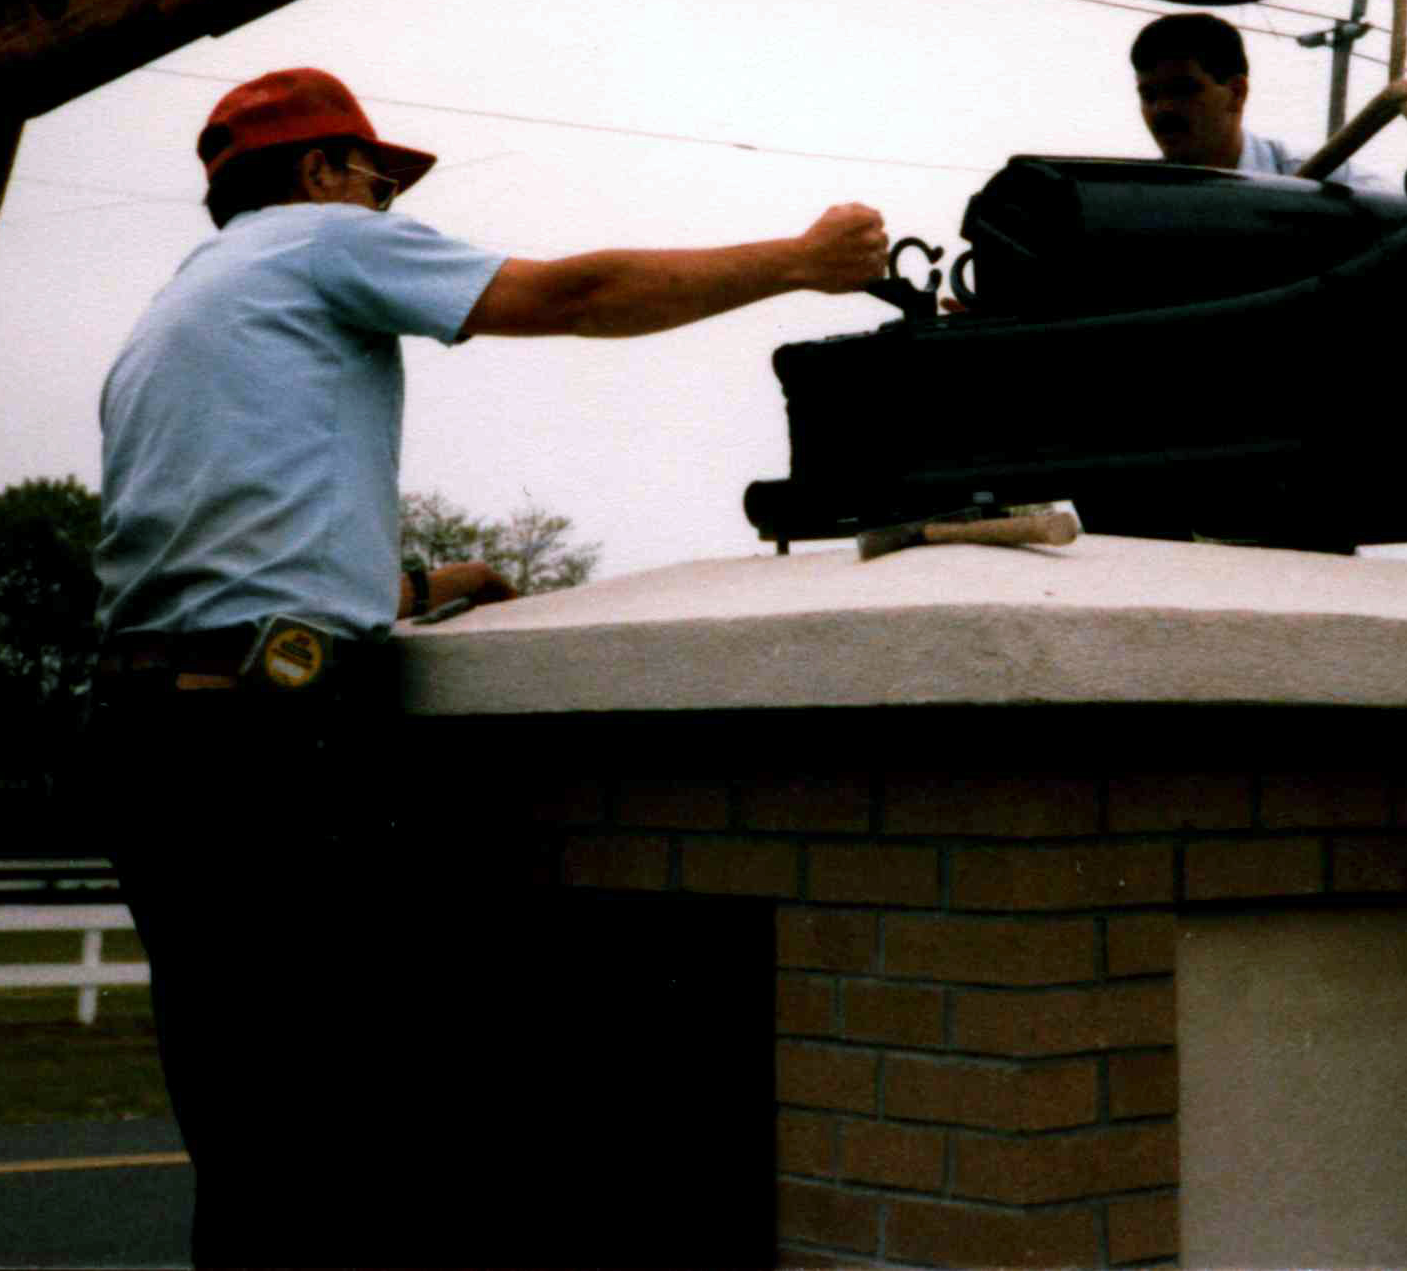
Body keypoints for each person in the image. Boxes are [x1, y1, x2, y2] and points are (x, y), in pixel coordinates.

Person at [87, 67, 887, 1268]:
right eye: (379, 180)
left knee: (256, 1128)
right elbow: (576, 294)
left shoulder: (181, 307)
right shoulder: (316, 242)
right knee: (371, 1117)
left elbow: (232, 565)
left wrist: (423, 589)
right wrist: (800, 259)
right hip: (271, 744)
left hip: (162, 733)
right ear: (317, 175)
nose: (390, 207)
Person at [1129, 11, 1377, 189]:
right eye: (1148, 96)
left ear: (1237, 93)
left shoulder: (1325, 179)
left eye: (1183, 91)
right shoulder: (1138, 197)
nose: (1162, 110)